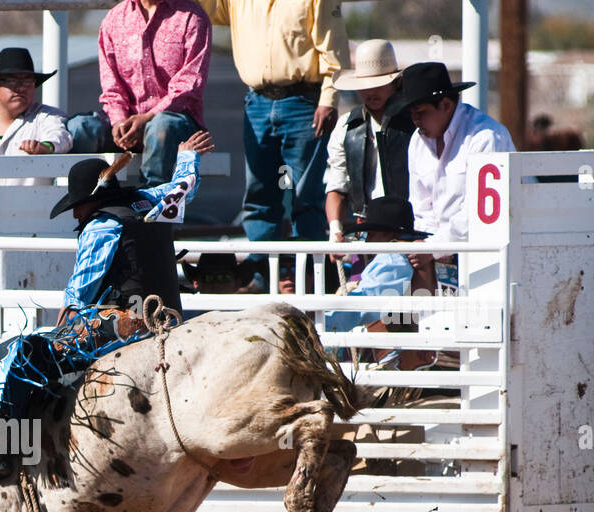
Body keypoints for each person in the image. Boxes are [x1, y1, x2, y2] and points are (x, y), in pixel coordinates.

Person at [0, 129, 214, 499]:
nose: (75, 212)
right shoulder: (150, 201)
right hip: (168, 318)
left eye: (76, 204)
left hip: (127, 326)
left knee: (21, 353)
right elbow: (183, 186)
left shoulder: (101, 226)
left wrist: (61, 332)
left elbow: (79, 294)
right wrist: (187, 155)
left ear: (88, 201)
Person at [196, 0, 350, 293]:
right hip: (259, 100)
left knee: (305, 196)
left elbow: (334, 48)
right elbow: (204, 6)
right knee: (260, 196)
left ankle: (308, 278)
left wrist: (328, 99)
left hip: (303, 100)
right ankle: (264, 275)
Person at [396, 61, 513, 294]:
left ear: (446, 105)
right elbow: (421, 207)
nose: (416, 121)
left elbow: (481, 214)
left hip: (488, 258)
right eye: (412, 114)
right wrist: (429, 248)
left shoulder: (486, 137)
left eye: (421, 113)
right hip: (441, 257)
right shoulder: (418, 142)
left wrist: (433, 248)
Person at [67, 0, 211, 188]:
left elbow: (188, 85)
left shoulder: (192, 16)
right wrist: (119, 122)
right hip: (128, 124)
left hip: (176, 123)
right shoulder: (114, 18)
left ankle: (153, 203)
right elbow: (111, 84)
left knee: (161, 126)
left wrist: (147, 118)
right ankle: (89, 199)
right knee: (80, 127)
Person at [323, 39, 414, 253]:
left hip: (411, 227)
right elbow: (337, 186)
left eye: (378, 84)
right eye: (364, 86)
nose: (370, 92)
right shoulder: (346, 127)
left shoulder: (416, 121)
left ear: (395, 83)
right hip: (367, 229)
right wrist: (335, 229)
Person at [323, 195, 430, 368]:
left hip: (402, 360)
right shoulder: (405, 254)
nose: (368, 240)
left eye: (371, 234)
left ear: (390, 234)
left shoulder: (392, 257)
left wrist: (319, 321)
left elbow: (363, 303)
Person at [0, 48, 72, 164]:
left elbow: (61, 138)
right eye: (12, 81)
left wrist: (46, 147)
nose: (21, 88)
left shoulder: (47, 116)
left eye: (28, 82)